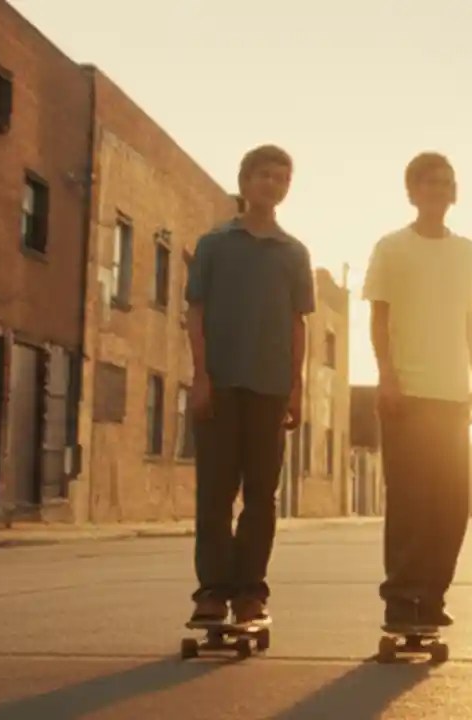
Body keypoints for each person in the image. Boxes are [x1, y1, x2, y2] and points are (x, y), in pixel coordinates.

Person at [186, 144, 313, 625]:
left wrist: (296, 387)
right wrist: (200, 377)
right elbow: (194, 312)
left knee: (262, 495)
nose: (273, 185)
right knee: (215, 494)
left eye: (282, 178)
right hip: (220, 384)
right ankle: (212, 593)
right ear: (244, 181)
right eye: (265, 175)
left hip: (270, 387)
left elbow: (298, 324)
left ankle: (250, 595)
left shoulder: (293, 252)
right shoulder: (215, 244)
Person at [363, 151, 472, 629]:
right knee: (410, 501)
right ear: (412, 191)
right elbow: (379, 317)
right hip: (407, 394)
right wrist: (387, 376)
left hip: (454, 392)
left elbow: (471, 319)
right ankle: (401, 598)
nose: (439, 190)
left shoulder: (467, 252)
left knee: (452, 504)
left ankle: (432, 596)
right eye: (430, 182)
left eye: (447, 183)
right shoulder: (392, 248)